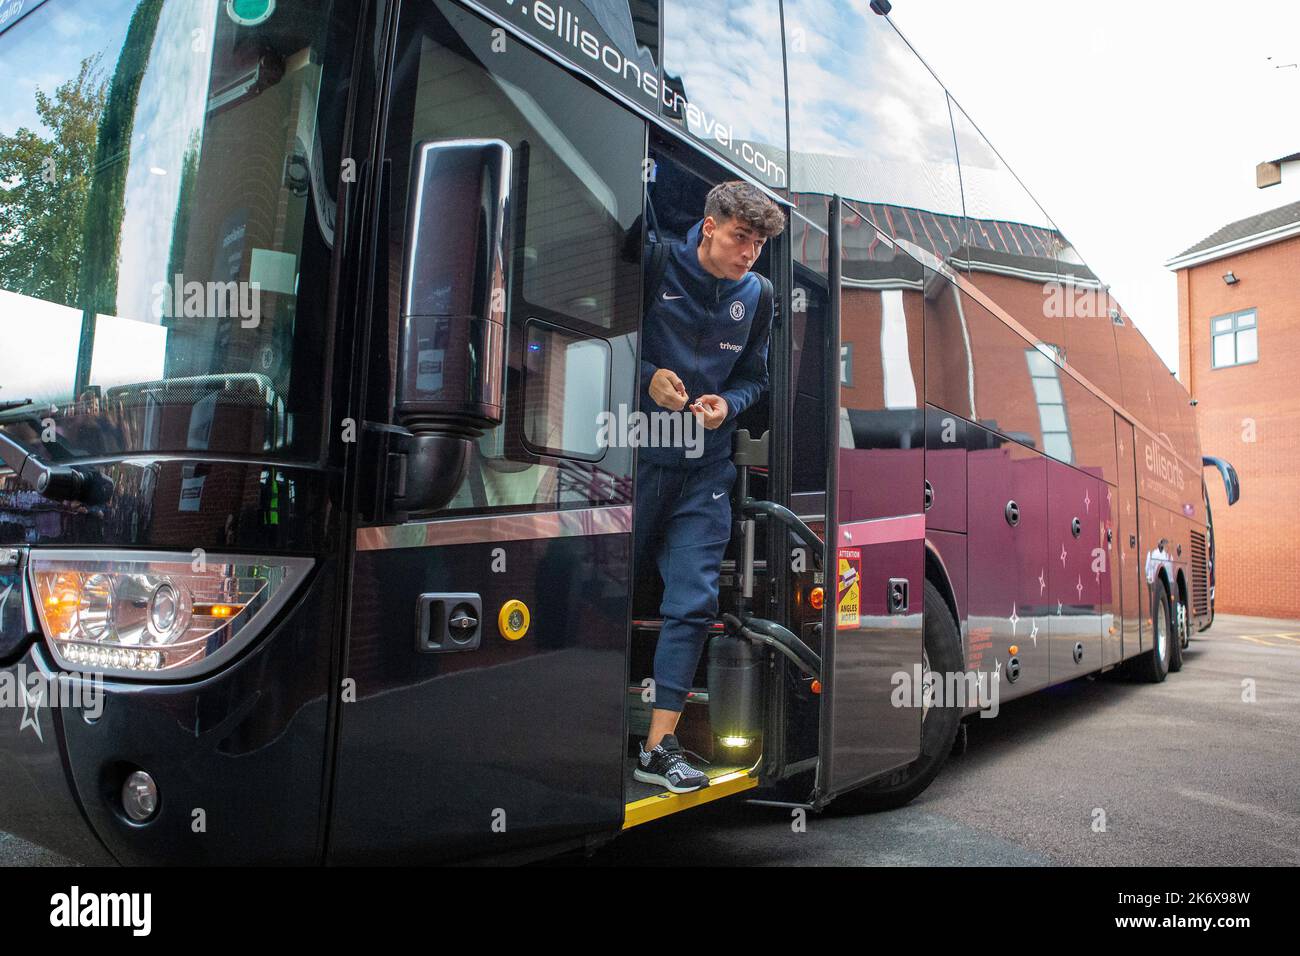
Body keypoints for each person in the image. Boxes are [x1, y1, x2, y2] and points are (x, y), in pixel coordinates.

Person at [631, 180, 785, 793]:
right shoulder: (656, 263)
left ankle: (658, 746)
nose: (750, 252)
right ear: (710, 224)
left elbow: (755, 378)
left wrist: (731, 402)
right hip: (635, 455)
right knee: (603, 585)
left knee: (693, 601)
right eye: (742, 237)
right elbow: (603, 337)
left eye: (760, 243)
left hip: (706, 467)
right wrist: (646, 378)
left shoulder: (761, 295)